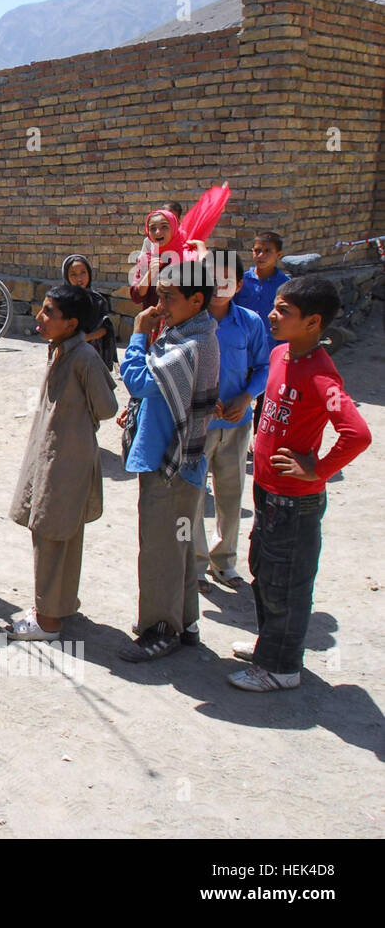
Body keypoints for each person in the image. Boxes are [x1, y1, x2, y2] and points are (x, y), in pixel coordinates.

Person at [231, 276, 371, 691]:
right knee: (263, 569)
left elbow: (358, 433)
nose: (272, 316)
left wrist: (319, 469)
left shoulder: (321, 375)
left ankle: (281, 668)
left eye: (283, 311)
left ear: (313, 322)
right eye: (274, 307)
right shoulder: (279, 355)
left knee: (287, 581)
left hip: (296, 500)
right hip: (268, 492)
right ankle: (270, 647)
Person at [118, 259, 220, 662]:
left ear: (196, 300)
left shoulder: (191, 345)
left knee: (161, 549)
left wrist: (138, 335)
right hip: (182, 462)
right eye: (159, 295)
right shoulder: (188, 332)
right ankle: (185, 621)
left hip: (171, 466)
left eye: (168, 297)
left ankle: (160, 629)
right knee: (177, 545)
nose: (159, 304)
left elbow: (141, 381)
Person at [8, 285, 119, 639]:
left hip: (67, 460)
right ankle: (57, 605)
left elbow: (107, 407)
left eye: (48, 313)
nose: (40, 318)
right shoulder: (59, 350)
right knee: (56, 533)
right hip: (53, 453)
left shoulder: (84, 357)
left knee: (53, 533)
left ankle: (48, 622)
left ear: (71, 324)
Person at [191, 253, 270, 591]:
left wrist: (246, 396)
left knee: (231, 493)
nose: (219, 286)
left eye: (227, 279)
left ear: (239, 285)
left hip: (236, 425)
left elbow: (264, 367)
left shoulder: (250, 322)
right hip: (198, 425)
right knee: (194, 497)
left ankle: (224, 561)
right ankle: (193, 564)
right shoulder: (191, 320)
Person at [234, 231, 289, 437]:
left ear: (279, 255)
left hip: (271, 351)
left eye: (268, 251)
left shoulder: (284, 284)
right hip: (242, 349)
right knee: (241, 392)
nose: (261, 255)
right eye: (257, 250)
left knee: (266, 397)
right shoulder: (242, 281)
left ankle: (258, 437)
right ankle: (238, 433)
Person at [62, 254, 117, 371]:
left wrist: (85, 338)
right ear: (66, 276)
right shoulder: (62, 302)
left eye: (83, 272)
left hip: (94, 354)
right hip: (68, 352)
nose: (79, 278)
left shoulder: (98, 300)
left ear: (89, 274)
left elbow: (105, 329)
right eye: (73, 274)